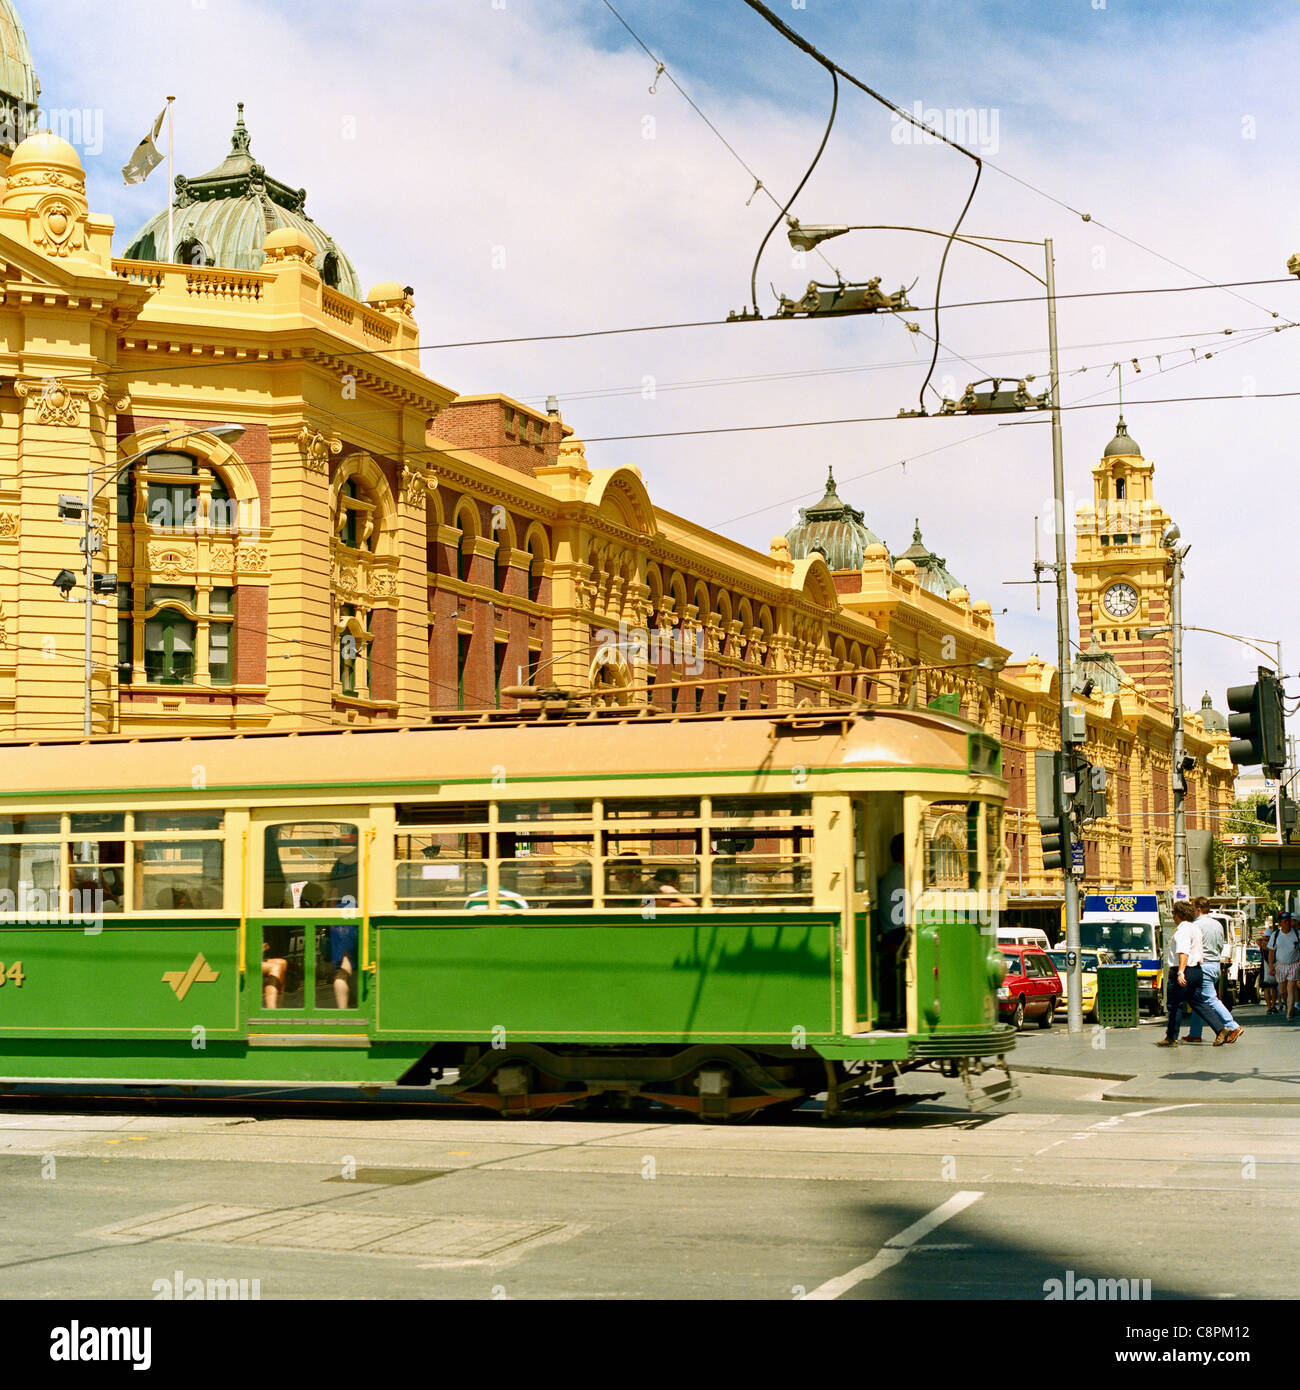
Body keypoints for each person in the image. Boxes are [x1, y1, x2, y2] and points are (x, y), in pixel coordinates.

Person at [1159, 900, 1240, 1046]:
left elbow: (1183, 952)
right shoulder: (1195, 928)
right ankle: (1220, 1029)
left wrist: (1180, 972)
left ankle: (1171, 1037)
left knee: (1174, 1004)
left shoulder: (1183, 929)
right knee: (1198, 1003)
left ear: (1178, 914)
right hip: (1197, 970)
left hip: (1184, 969)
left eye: (1174, 913)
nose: (1173, 916)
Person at [1183, 898, 1242, 1044]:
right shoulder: (1218, 924)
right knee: (1198, 999)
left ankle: (1232, 1026)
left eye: (1193, 908)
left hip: (1203, 966)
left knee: (1210, 999)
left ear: (1198, 909)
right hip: (1216, 964)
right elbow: (1220, 945)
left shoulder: (1195, 926)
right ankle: (1195, 1033)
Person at [1271, 913, 1300, 1020]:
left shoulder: (1297, 934)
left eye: (1289, 920)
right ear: (1280, 923)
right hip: (1280, 965)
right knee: (1283, 991)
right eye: (1285, 921)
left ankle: (1289, 1013)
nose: (1287, 923)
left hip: (1293, 965)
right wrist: (1271, 966)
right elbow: (1271, 951)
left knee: (1291, 988)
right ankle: (1288, 1004)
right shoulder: (1276, 935)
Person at [1261, 921, 1279, 1014]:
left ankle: (1270, 1007)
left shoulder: (1262, 943)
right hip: (1272, 966)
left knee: (1268, 988)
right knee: (1273, 987)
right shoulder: (1271, 944)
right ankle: (1272, 1006)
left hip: (1266, 967)